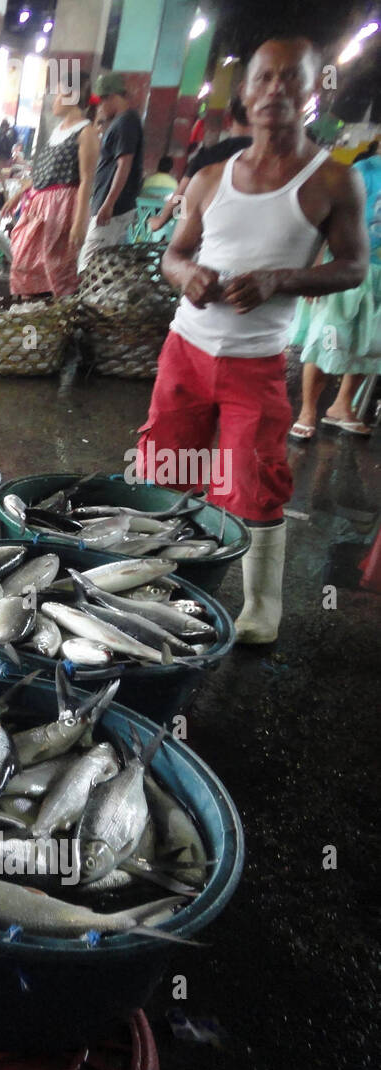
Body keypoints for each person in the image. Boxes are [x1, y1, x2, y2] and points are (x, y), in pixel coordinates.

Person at [135, 38, 368, 645]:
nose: (275, 90)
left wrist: (280, 280)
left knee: (253, 481)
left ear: (316, 89)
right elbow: (175, 254)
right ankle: (165, 580)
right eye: (264, 78)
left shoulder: (334, 180)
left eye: (292, 79)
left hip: (256, 364)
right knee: (168, 466)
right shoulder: (212, 176)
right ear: (245, 91)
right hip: (185, 351)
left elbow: (353, 267)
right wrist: (187, 275)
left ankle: (262, 604)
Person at [290, 149, 381, 439]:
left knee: (370, 341)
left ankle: (342, 406)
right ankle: (307, 411)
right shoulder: (362, 171)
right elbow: (328, 218)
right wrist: (317, 268)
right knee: (327, 336)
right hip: (345, 264)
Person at [6, 72, 97, 299]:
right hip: (39, 206)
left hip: (62, 208)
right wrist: (18, 195)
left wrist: (79, 223)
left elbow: (86, 179)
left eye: (57, 94)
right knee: (25, 264)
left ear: (69, 95)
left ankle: (54, 318)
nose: (54, 100)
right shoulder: (58, 130)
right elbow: (42, 174)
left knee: (55, 269)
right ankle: (30, 312)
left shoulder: (86, 133)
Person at [149, 95, 251, 234]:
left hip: (208, 235)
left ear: (228, 118)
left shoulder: (209, 156)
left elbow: (180, 196)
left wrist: (160, 221)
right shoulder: (275, 159)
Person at [78, 72, 143, 272]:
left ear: (112, 97)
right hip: (112, 209)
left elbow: (125, 165)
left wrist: (108, 204)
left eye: (101, 102)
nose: (99, 108)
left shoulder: (126, 122)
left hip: (112, 212)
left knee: (88, 267)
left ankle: (88, 302)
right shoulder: (121, 122)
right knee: (106, 268)